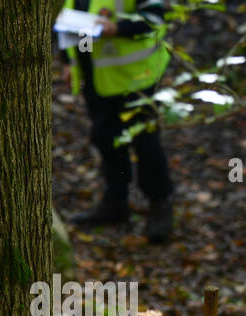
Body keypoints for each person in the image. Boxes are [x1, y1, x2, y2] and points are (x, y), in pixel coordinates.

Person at [62, 0, 174, 243]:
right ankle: (115, 203)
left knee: (146, 143)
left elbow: (155, 18)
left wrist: (118, 28)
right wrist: (68, 61)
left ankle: (160, 205)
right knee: (106, 139)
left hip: (137, 81)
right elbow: (69, 19)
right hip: (99, 81)